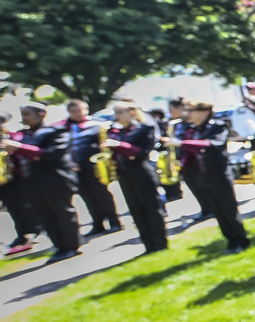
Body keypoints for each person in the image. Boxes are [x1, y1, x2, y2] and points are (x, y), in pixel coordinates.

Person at [163, 101, 249, 254]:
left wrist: (182, 143)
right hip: (202, 174)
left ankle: (240, 240)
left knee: (228, 208)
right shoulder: (192, 129)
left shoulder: (217, 126)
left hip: (219, 172)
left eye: (190, 110)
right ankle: (230, 239)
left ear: (205, 112)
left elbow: (212, 145)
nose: (186, 114)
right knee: (216, 209)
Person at [1, 103, 81, 264]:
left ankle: (72, 246)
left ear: (41, 114)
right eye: (23, 115)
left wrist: (20, 147)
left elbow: (52, 154)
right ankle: (60, 247)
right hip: (31, 182)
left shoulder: (56, 131)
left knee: (62, 212)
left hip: (55, 179)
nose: (24, 118)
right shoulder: (26, 135)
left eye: (27, 114)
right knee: (45, 215)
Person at [106, 103, 168, 254]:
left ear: (132, 112)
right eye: (115, 112)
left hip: (142, 171)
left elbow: (142, 152)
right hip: (124, 174)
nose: (116, 116)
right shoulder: (118, 131)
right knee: (136, 210)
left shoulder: (145, 128)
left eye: (120, 112)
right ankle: (148, 245)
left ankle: (160, 243)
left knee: (151, 209)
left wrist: (118, 145)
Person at [64, 99, 123, 237]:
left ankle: (114, 221)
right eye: (74, 112)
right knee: (86, 196)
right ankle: (98, 224)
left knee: (102, 194)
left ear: (86, 110)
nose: (78, 114)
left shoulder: (97, 124)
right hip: (76, 167)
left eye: (80, 111)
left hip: (95, 165)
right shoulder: (63, 128)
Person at [0, 111, 42, 256]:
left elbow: (21, 149)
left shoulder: (14, 134)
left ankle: (36, 230)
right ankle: (22, 234)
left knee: (24, 204)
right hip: (3, 178)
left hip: (17, 174)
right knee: (11, 206)